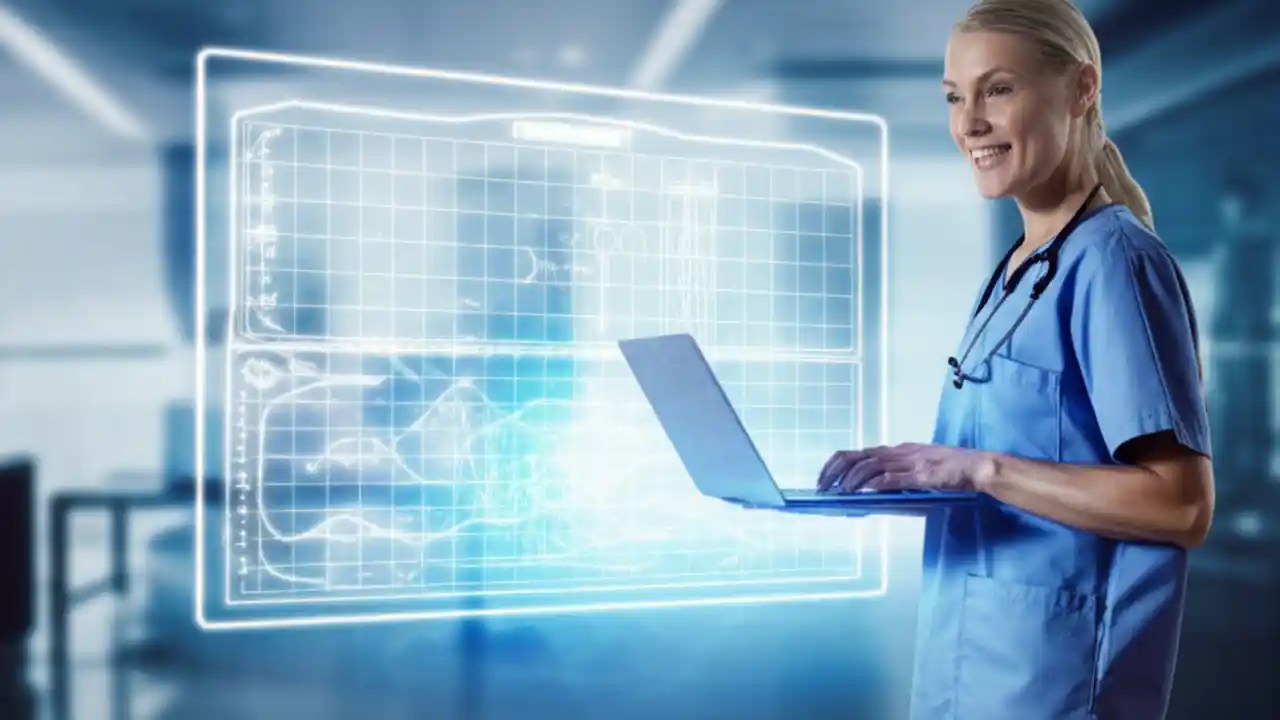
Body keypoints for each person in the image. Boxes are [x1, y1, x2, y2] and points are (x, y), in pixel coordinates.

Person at [815, 1, 1214, 718]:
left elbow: (1180, 505)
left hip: (1056, 684)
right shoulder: (1018, 271)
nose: (968, 123)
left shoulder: (1114, 264)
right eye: (953, 96)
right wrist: (915, 478)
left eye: (998, 89)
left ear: (1082, 89)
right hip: (970, 670)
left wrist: (977, 469)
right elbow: (1025, 474)